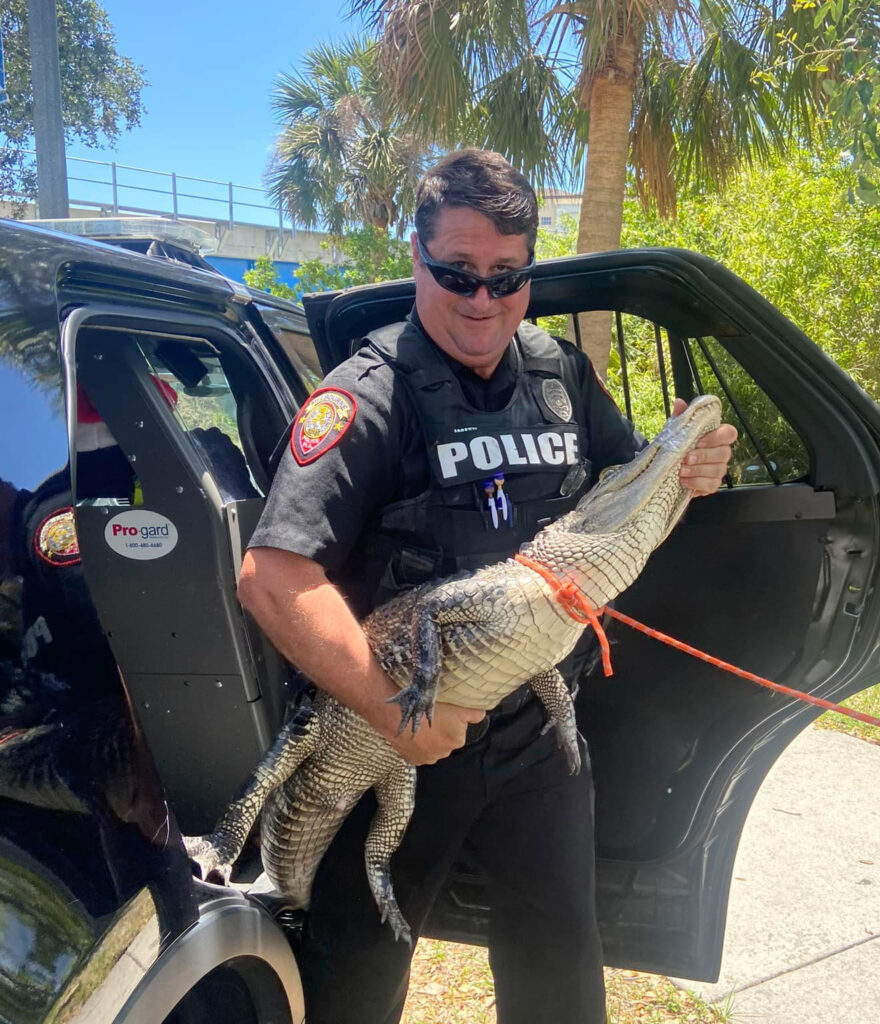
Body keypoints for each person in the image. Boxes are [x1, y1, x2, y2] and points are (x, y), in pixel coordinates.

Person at [238, 149, 738, 1024]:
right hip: (395, 737)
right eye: (458, 273)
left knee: (560, 974)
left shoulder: (561, 374)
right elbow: (274, 580)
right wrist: (395, 711)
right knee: (354, 982)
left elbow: (630, 493)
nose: (483, 299)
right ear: (418, 257)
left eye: (506, 277)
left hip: (538, 733)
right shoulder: (367, 396)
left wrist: (694, 470)